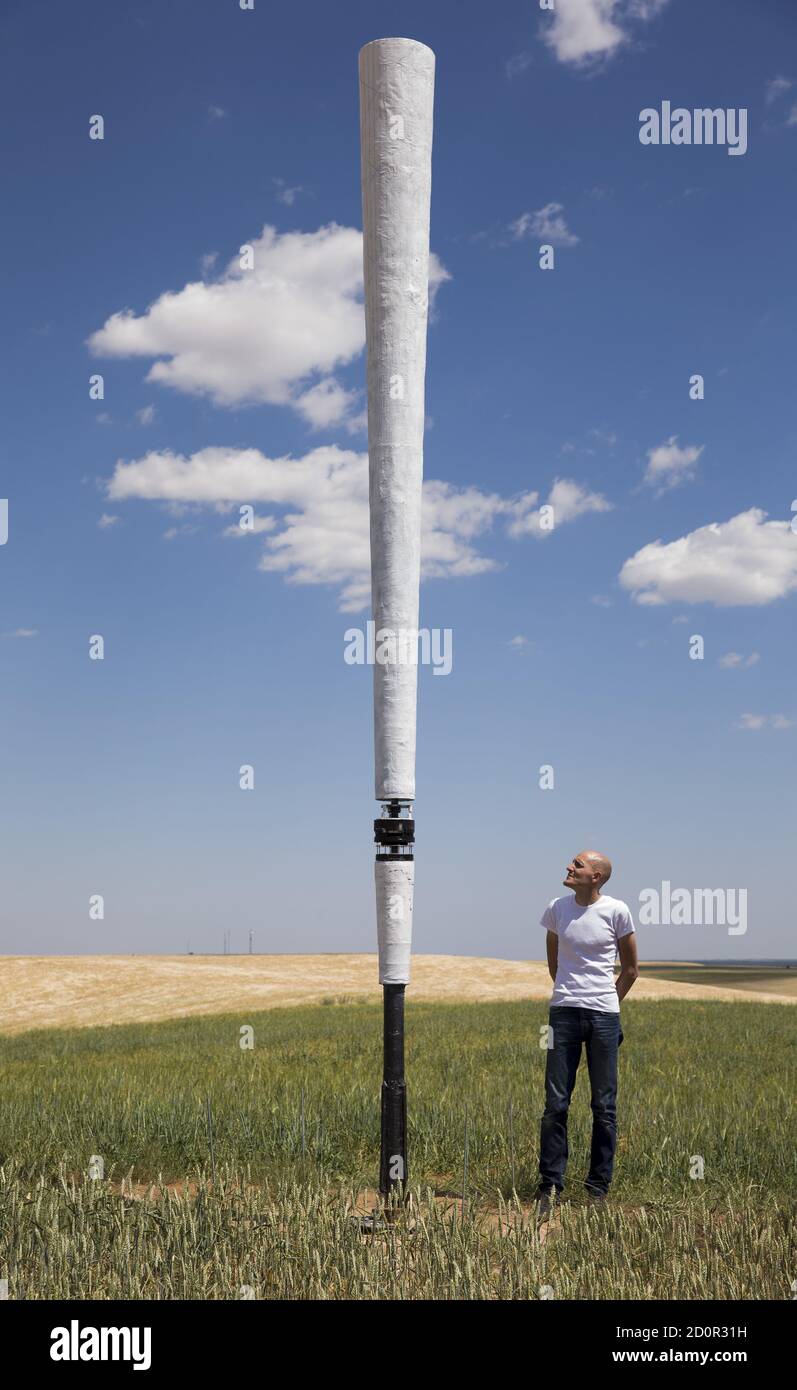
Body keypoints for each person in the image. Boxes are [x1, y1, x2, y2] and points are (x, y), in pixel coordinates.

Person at [535, 850, 638, 1220]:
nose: (569, 867)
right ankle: (550, 1185)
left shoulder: (617, 911)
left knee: (604, 1106)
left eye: (577, 865)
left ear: (596, 876)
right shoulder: (556, 909)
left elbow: (630, 969)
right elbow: (554, 962)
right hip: (562, 1013)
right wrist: (569, 995)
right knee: (555, 1104)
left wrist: (606, 1002)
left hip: (604, 1017)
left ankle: (597, 1189)